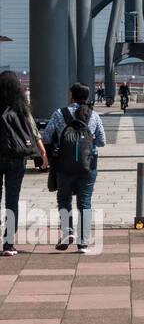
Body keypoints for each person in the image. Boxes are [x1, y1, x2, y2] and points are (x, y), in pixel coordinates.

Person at [43, 83, 106, 252]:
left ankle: (67, 232)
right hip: (88, 165)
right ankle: (83, 242)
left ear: (71, 96)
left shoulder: (59, 113)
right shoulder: (94, 116)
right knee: (84, 203)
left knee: (64, 199)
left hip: (64, 165)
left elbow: (47, 137)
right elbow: (102, 141)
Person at [0, 71, 48, 255]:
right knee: (12, 200)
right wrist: (43, 153)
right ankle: (8, 244)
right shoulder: (21, 107)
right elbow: (33, 131)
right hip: (17, 157)